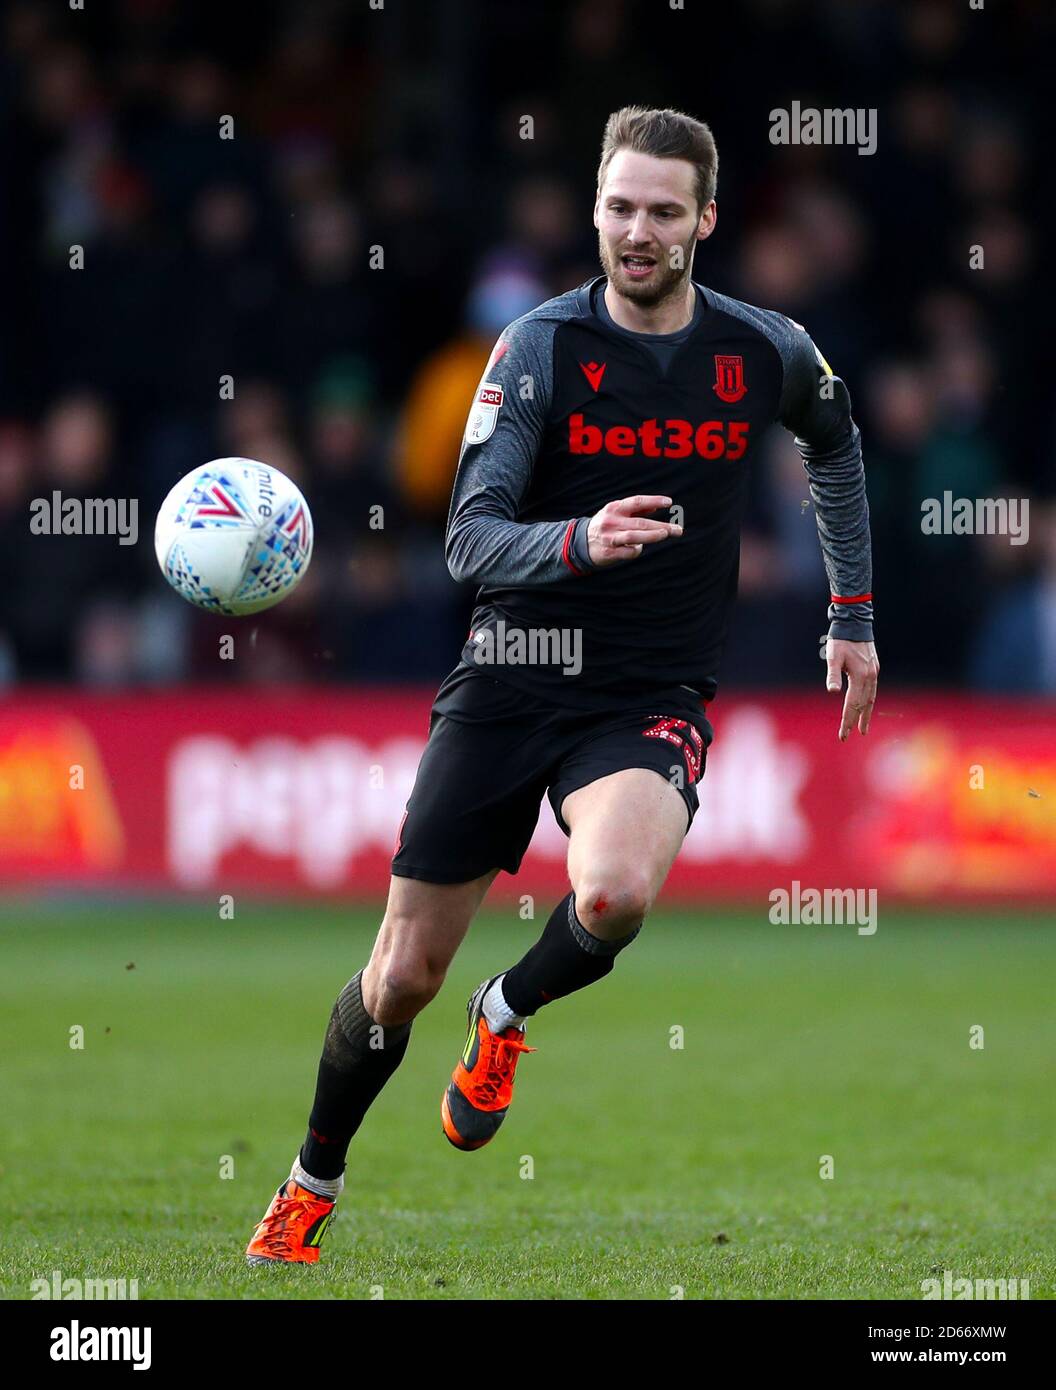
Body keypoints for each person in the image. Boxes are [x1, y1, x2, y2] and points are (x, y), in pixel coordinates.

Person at [245, 105, 879, 1265]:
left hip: (649, 689)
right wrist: (580, 539)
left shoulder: (763, 349)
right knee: (397, 979)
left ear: (706, 220)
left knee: (619, 892)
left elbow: (834, 444)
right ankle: (310, 1180)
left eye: (663, 212)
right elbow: (469, 540)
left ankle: (507, 1013)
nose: (638, 233)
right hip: (510, 681)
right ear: (596, 210)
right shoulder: (536, 349)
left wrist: (852, 616)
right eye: (620, 208)